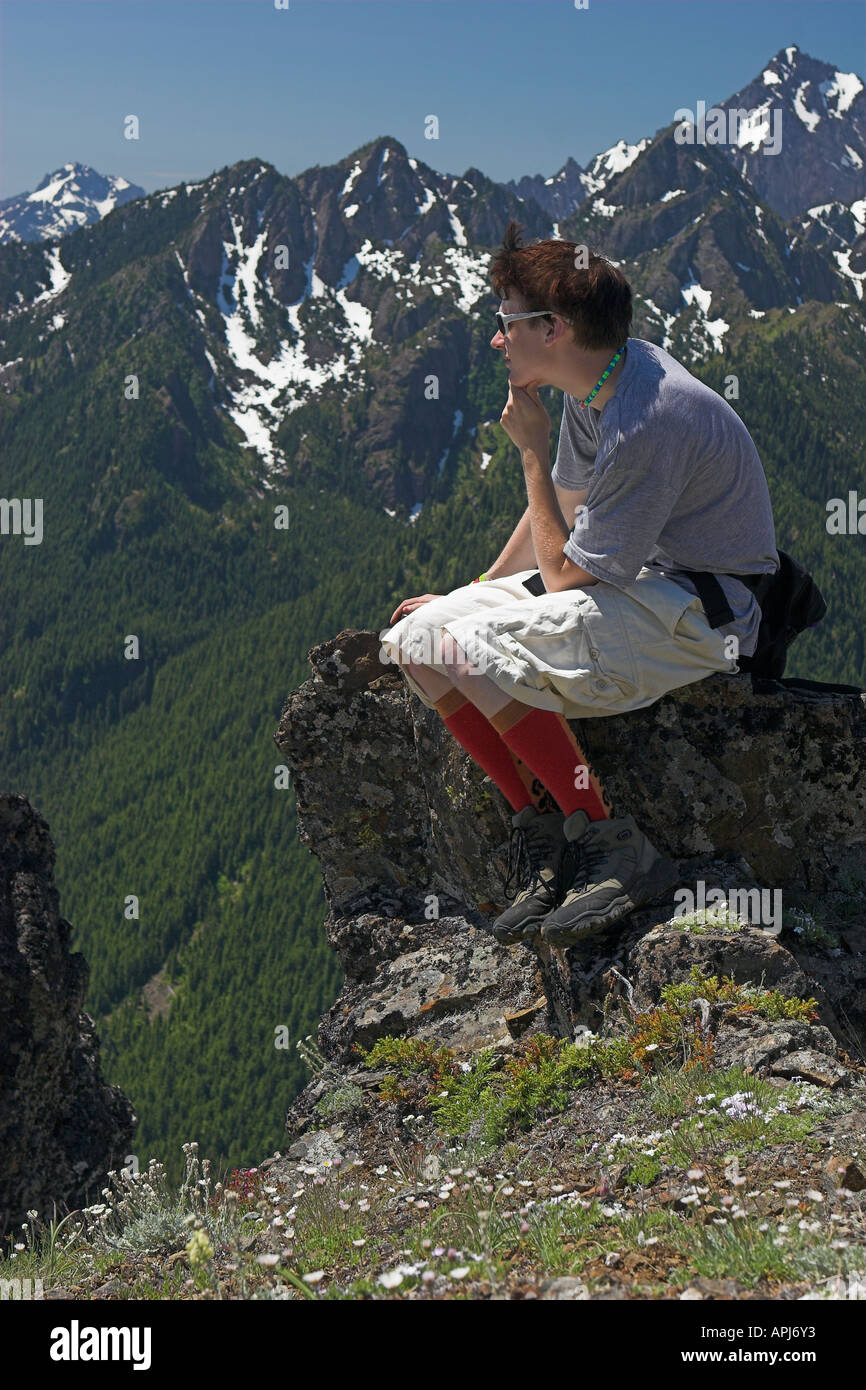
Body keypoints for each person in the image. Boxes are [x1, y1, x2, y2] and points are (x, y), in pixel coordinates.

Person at [379, 221, 779, 949]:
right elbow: (560, 511)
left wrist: (528, 450)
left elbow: (562, 574)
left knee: (474, 648)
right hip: (636, 584)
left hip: (704, 609)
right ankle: (547, 828)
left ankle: (609, 843)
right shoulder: (594, 382)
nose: (498, 341)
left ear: (553, 328)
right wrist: (476, 586)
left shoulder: (647, 417)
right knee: (416, 639)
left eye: (506, 325)